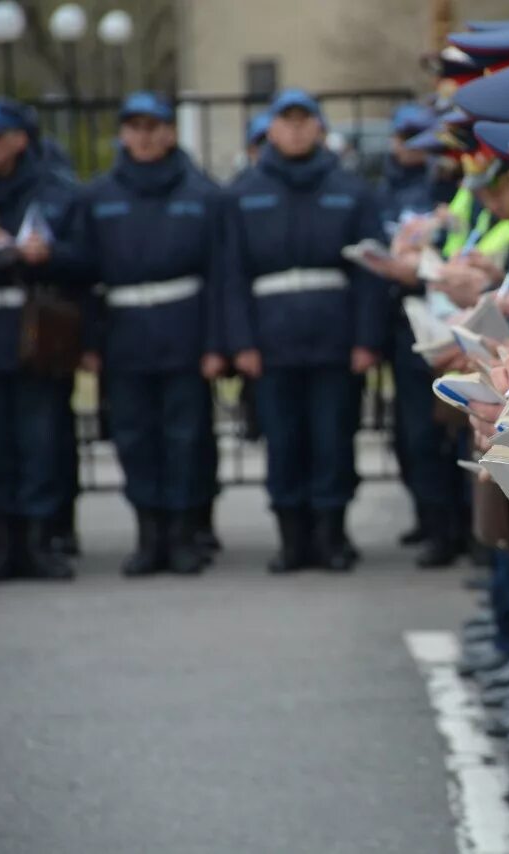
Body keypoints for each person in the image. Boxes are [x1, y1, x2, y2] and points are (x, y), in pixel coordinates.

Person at [221, 88, 384, 573]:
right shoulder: (243, 193)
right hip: (271, 342)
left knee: (333, 439)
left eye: (304, 120)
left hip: (334, 339)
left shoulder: (351, 190)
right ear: (270, 129)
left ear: (319, 127)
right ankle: (292, 540)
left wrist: (366, 339)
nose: (294, 129)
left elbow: (369, 273)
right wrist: (242, 343)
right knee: (283, 440)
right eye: (285, 121)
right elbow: (230, 276)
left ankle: (331, 536)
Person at [81, 92, 226, 577]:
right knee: (135, 438)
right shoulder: (99, 197)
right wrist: (89, 342)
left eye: (153, 126)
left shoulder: (201, 194)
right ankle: (149, 536)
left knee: (186, 438)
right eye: (134, 126)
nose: (144, 136)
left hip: (183, 330)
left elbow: (220, 276)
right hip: (125, 336)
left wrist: (214, 344)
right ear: (123, 133)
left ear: (169, 131)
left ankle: (184, 535)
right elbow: (84, 276)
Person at [0, 97, 91, 582]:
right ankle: (3, 546)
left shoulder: (57, 193)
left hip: (39, 334)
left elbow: (89, 262)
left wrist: (48, 256)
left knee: (40, 443)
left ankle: (40, 542)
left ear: (19, 140)